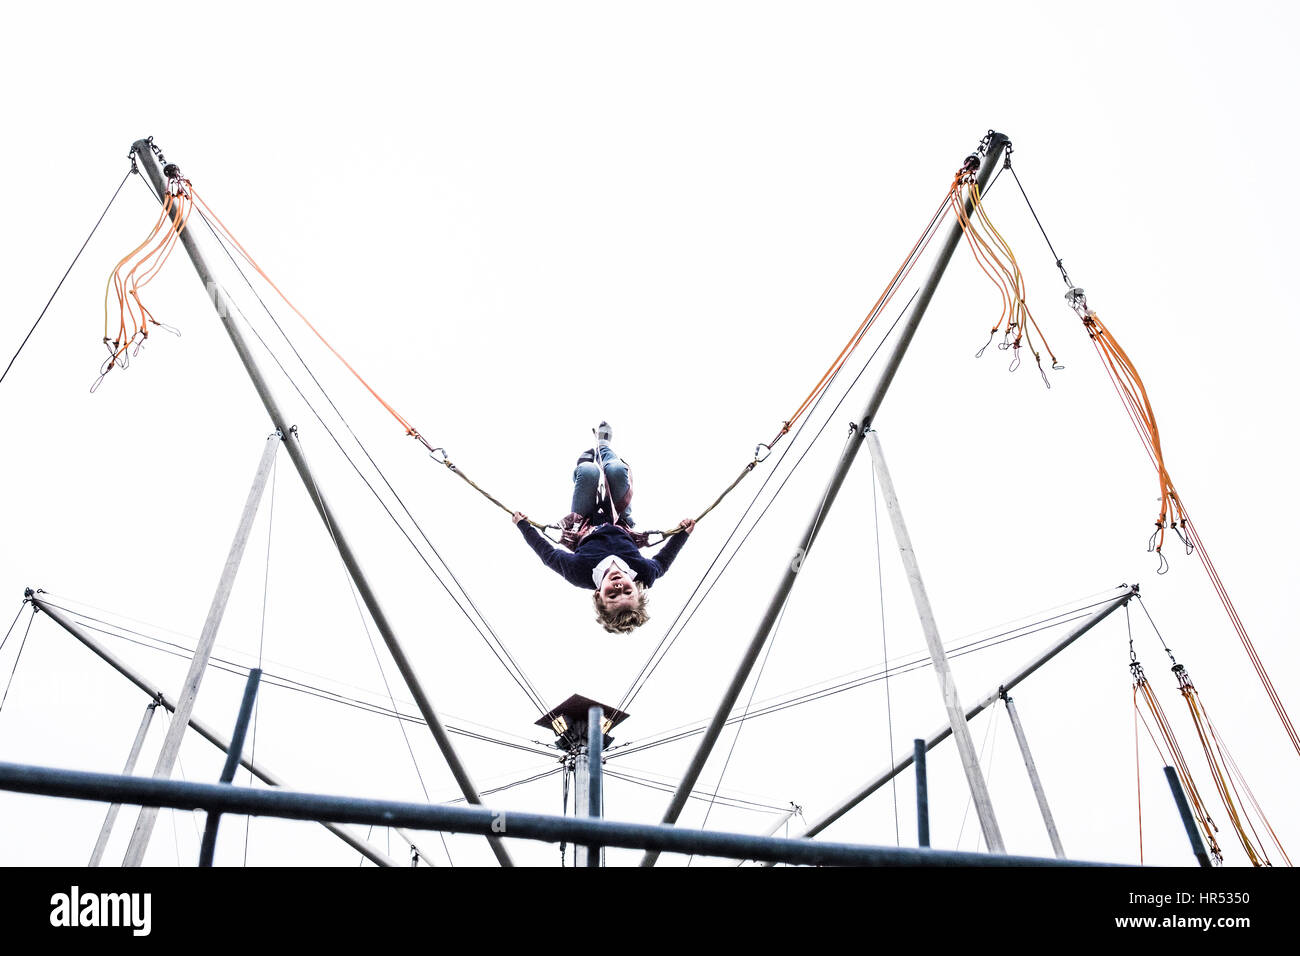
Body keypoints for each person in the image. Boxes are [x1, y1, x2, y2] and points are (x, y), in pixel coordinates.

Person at [512, 422, 694, 634]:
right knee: (615, 470)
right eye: (627, 591)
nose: (619, 588)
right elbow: (663, 561)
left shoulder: (578, 573)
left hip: (584, 521)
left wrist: (524, 526)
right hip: (619, 519)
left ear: (599, 595)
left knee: (588, 472)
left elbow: (548, 555)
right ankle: (603, 445)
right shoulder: (645, 573)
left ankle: (584, 465)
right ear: (636, 588)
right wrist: (683, 534)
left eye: (613, 596)